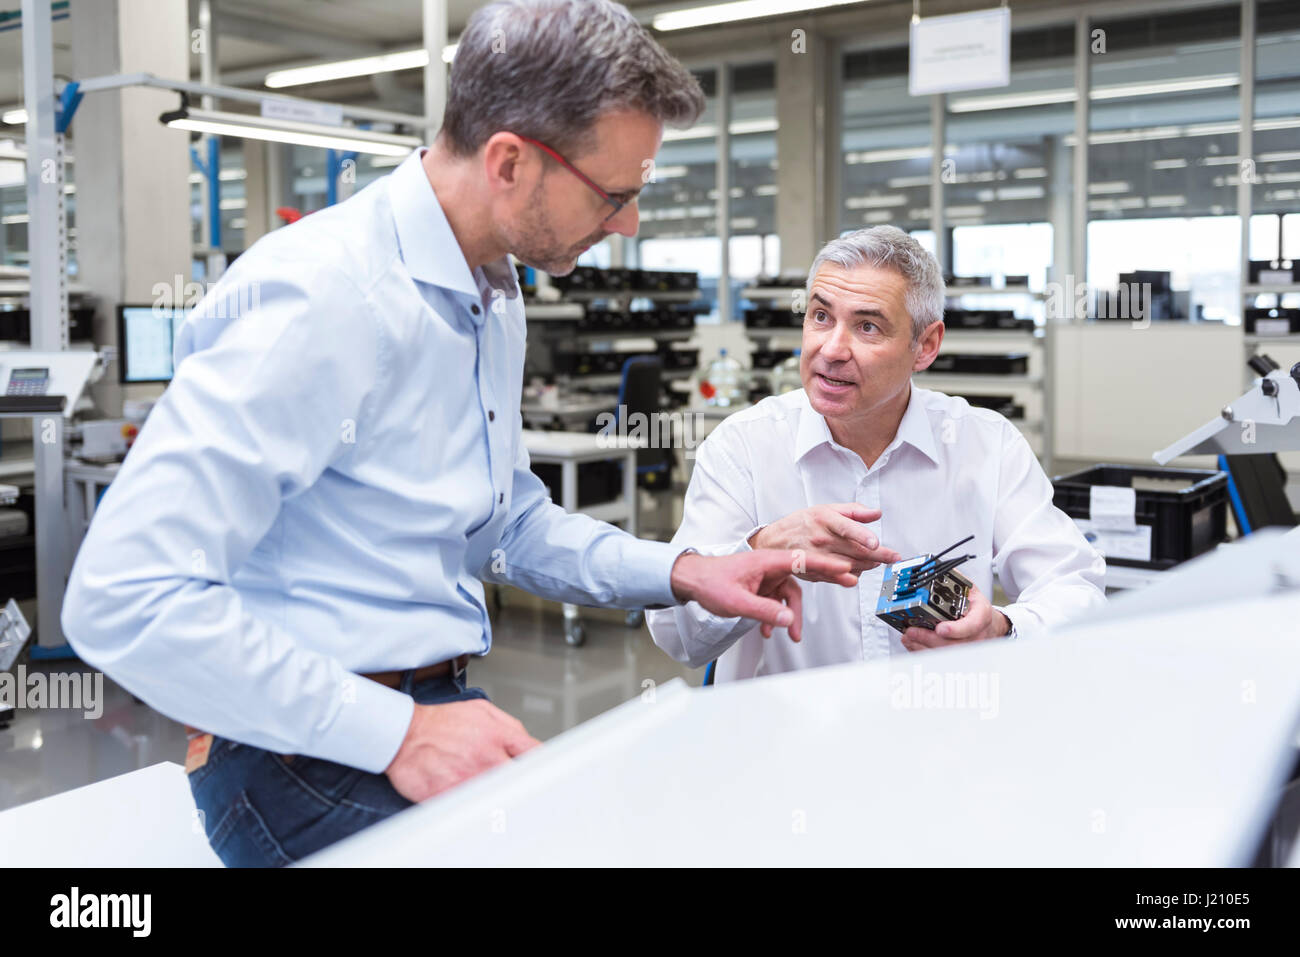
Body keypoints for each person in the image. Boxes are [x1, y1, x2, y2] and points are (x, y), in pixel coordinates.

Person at [60, 0, 856, 867]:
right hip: (295, 756)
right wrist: (398, 733)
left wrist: (684, 570)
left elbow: (503, 526)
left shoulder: (492, 294)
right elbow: (124, 591)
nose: (626, 222)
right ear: (510, 161)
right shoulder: (326, 298)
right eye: (614, 194)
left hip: (422, 711)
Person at [647, 226, 1107, 681]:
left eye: (867, 327)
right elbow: (676, 635)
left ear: (925, 345)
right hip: (792, 741)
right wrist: (759, 551)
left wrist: (1002, 629)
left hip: (941, 736)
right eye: (821, 317)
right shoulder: (742, 448)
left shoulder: (986, 445)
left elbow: (1076, 590)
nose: (831, 349)